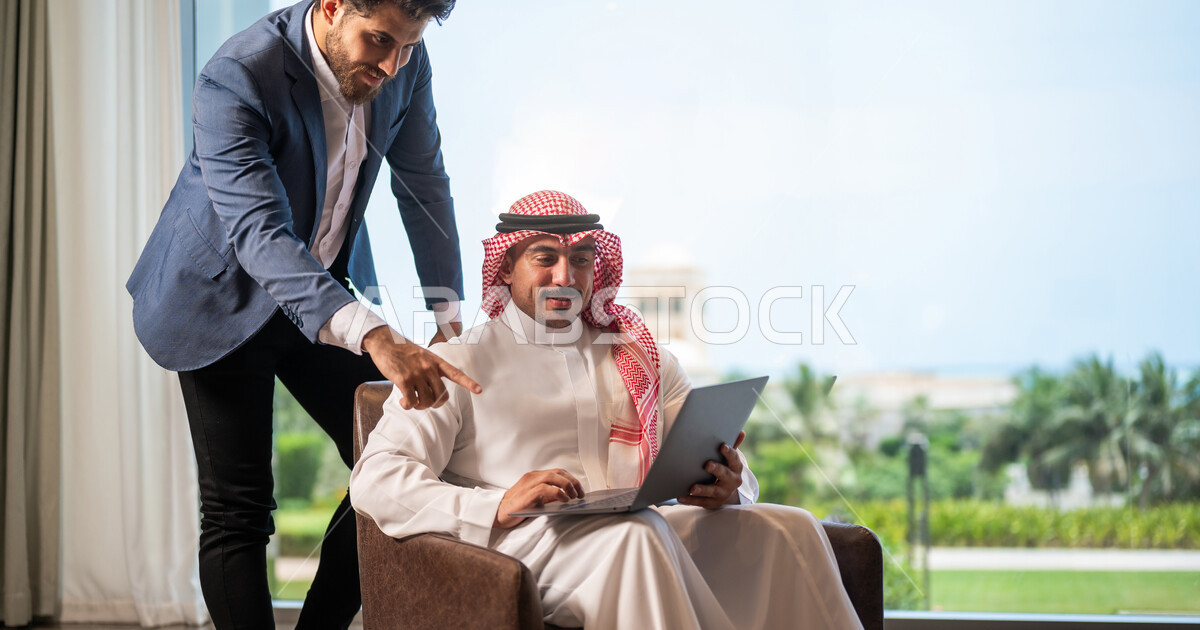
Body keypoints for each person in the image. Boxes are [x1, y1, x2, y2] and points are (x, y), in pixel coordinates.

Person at [350, 190, 863, 629]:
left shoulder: (642, 357)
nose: (564, 276)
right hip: (526, 542)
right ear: (506, 266)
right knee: (638, 537)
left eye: (580, 261)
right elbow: (377, 480)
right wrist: (498, 504)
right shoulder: (457, 360)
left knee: (788, 527)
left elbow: (718, 460)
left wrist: (731, 483)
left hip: (642, 526)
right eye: (544, 258)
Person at [125, 1, 481, 627]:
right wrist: (374, 333)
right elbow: (259, 232)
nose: (394, 65)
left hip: (321, 289)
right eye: (379, 42)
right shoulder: (237, 73)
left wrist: (448, 319)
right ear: (333, 7)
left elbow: (423, 182)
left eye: (408, 46)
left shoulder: (405, 61)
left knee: (400, 467)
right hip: (218, 296)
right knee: (239, 511)